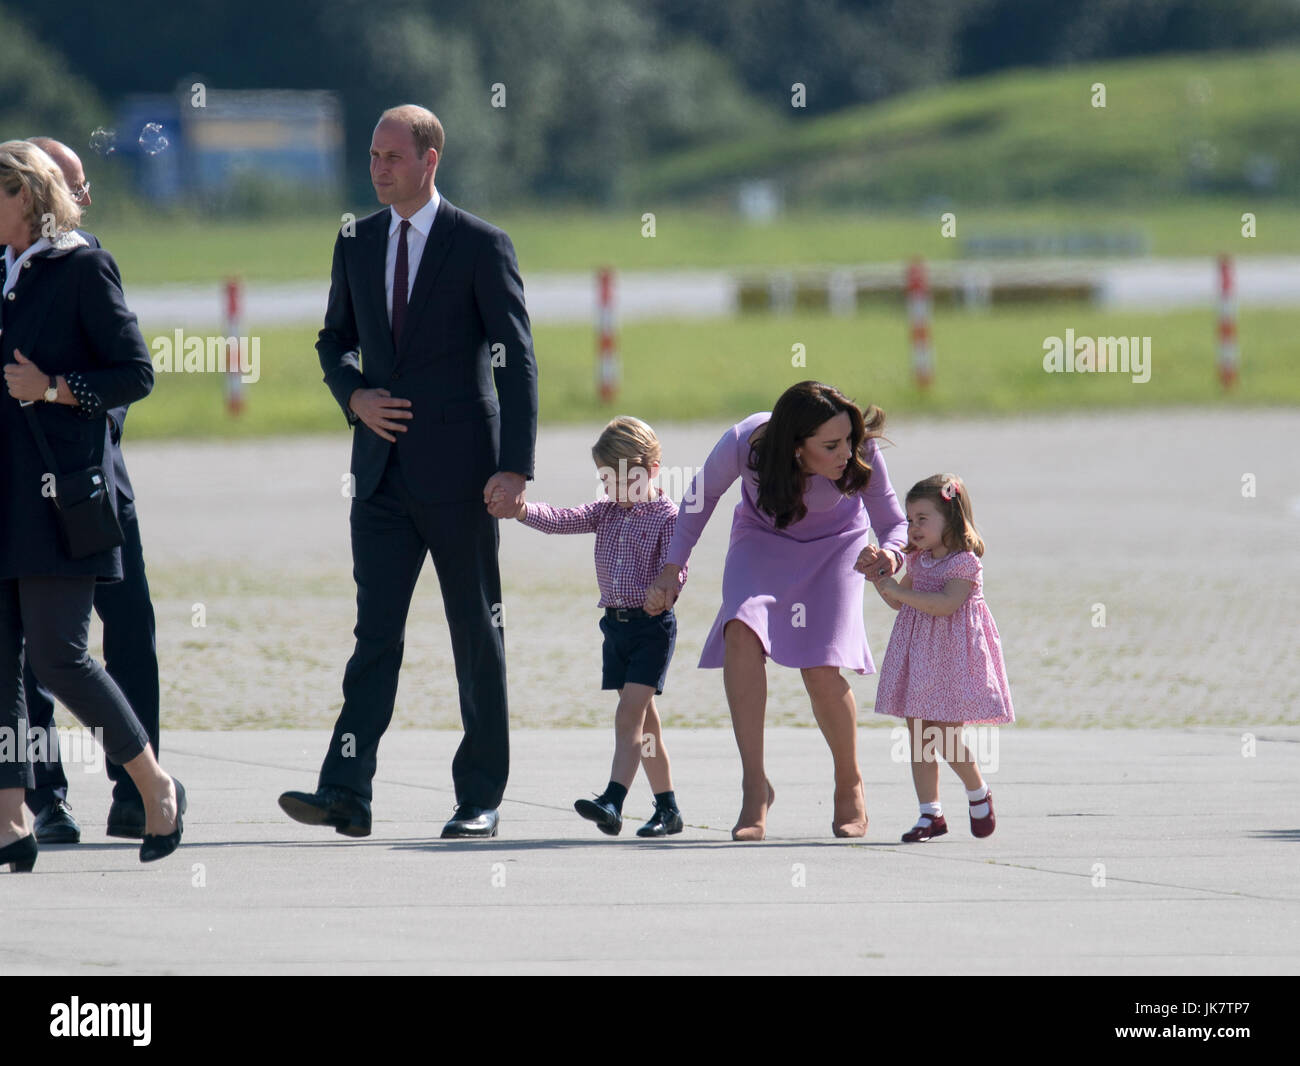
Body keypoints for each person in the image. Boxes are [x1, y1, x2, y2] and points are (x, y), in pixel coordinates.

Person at [279, 105, 537, 840]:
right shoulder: (356, 239)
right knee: (375, 637)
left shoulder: (481, 245)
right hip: (381, 479)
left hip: (463, 477)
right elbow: (334, 341)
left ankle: (479, 796)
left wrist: (516, 467)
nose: (378, 168)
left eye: (392, 156)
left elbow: (516, 362)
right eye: (371, 155)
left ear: (430, 160)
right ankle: (345, 789)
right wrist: (353, 395)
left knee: (475, 635)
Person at [0, 140, 184, 870]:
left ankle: (155, 787)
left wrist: (52, 387)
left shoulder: (80, 266)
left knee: (60, 658)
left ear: (24, 197)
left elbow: (134, 373)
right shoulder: (3, 272)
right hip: (3, 495)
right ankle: (12, 819)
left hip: (57, 500)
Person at [645, 380, 908, 841]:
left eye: (848, 439)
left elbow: (893, 522)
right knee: (740, 632)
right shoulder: (747, 441)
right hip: (762, 543)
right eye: (831, 445)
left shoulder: (859, 450)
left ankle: (849, 783)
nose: (847, 452)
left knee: (821, 669)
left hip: (837, 549)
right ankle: (754, 786)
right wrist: (672, 568)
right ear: (795, 447)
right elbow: (698, 498)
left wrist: (890, 556)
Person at [505, 417, 688, 837]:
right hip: (616, 629)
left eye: (621, 480)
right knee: (647, 725)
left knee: (629, 717)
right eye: (606, 479)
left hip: (651, 631)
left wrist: (666, 590)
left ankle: (613, 800)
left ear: (650, 471)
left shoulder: (666, 516)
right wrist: (521, 510)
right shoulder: (604, 512)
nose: (611, 489)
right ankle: (668, 809)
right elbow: (562, 519)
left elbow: (677, 568)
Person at [866, 473, 1014, 842]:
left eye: (922, 519)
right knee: (918, 733)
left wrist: (897, 591)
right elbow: (898, 600)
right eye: (909, 519)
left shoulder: (964, 563)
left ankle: (977, 791)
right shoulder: (918, 561)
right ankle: (929, 813)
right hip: (919, 654)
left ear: (949, 520)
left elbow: (946, 605)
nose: (913, 528)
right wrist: (880, 577)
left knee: (945, 733)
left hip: (952, 654)